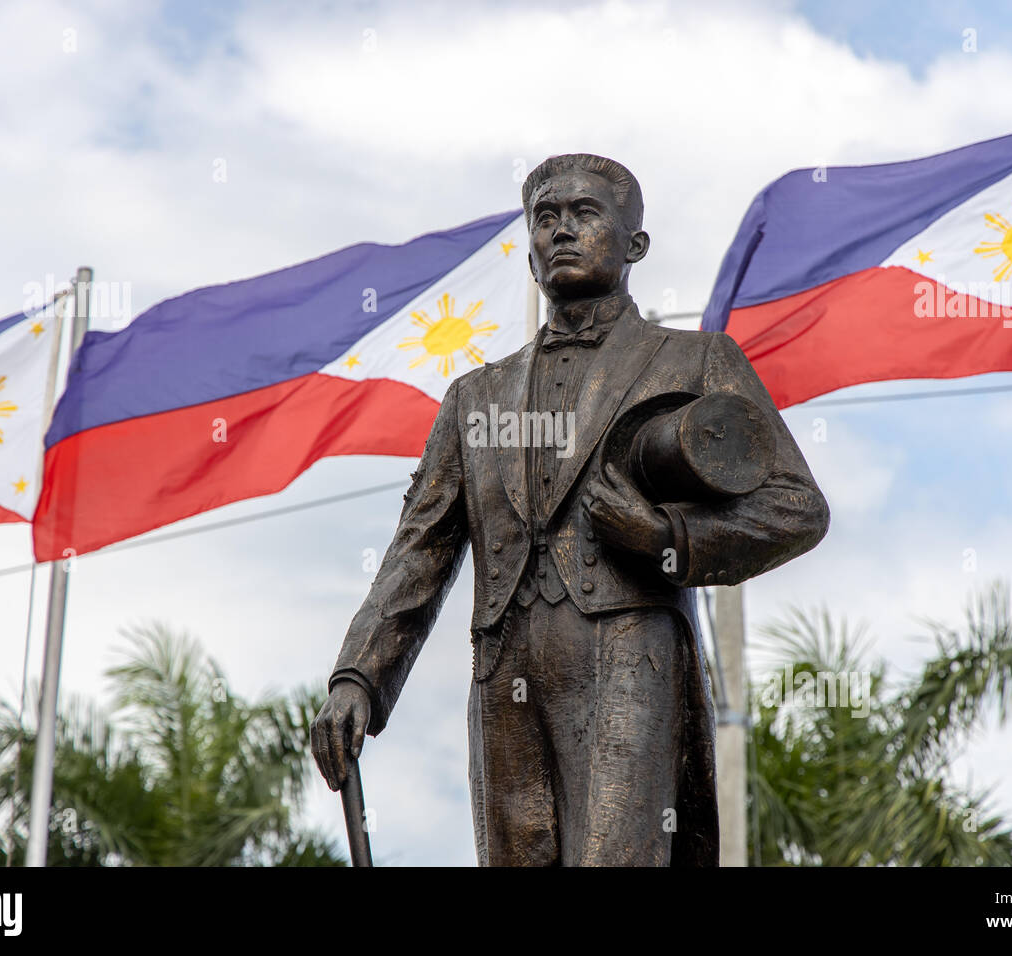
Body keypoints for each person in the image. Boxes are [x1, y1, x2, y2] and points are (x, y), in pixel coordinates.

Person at [312, 154, 830, 865]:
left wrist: (666, 536)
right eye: (545, 219)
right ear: (528, 254)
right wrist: (358, 677)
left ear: (634, 244)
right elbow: (418, 551)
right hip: (503, 679)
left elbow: (796, 508)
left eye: (585, 215)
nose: (561, 231)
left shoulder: (694, 361)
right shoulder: (475, 397)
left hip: (630, 663)